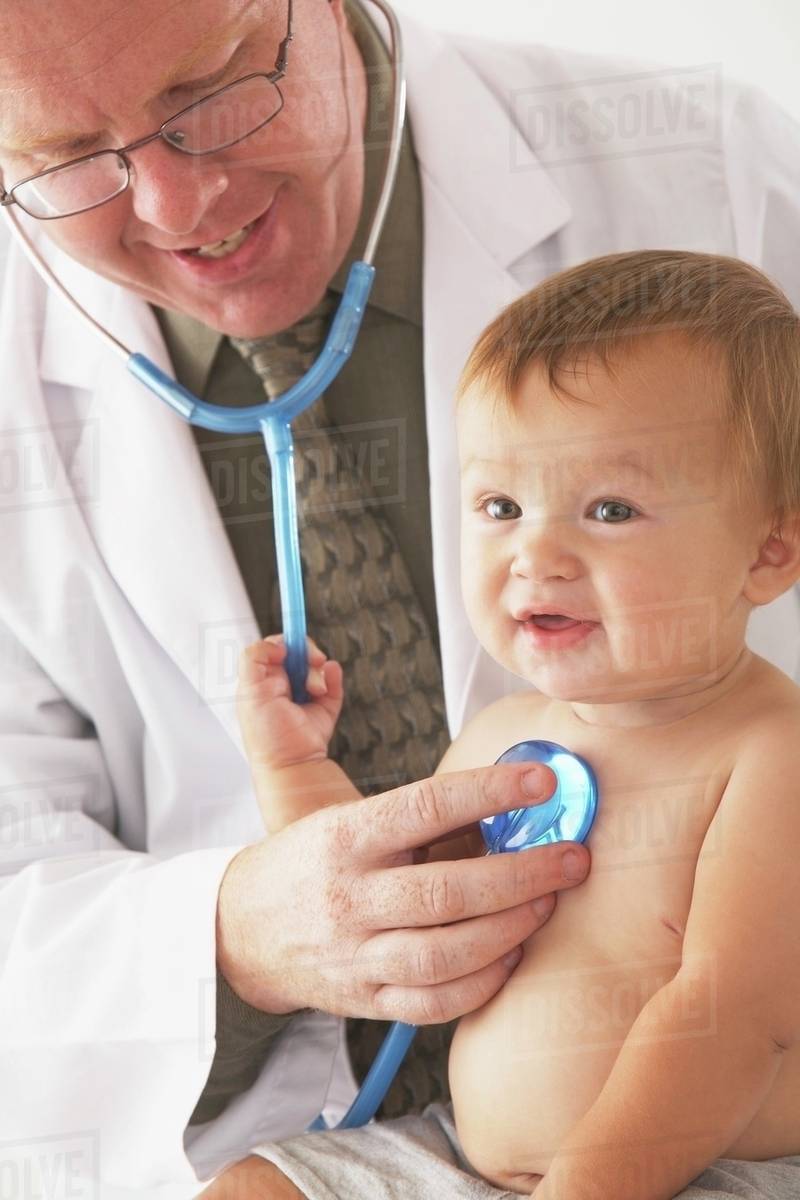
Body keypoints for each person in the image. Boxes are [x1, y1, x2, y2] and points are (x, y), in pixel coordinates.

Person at [0, 0, 799, 1193]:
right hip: (398, 1140)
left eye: (211, 95)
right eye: (62, 159)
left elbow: (730, 1016)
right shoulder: (504, 736)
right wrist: (255, 895)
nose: (178, 205)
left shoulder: (720, 169)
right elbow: (398, 860)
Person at [215, 249, 800, 1200]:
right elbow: (391, 905)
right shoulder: (503, 736)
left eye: (609, 509)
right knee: (252, 1187)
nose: (536, 554)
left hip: (707, 1168)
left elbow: (733, 1018)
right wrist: (291, 769)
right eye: (501, 506)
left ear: (768, 551)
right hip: (456, 1155)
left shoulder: (767, 751)